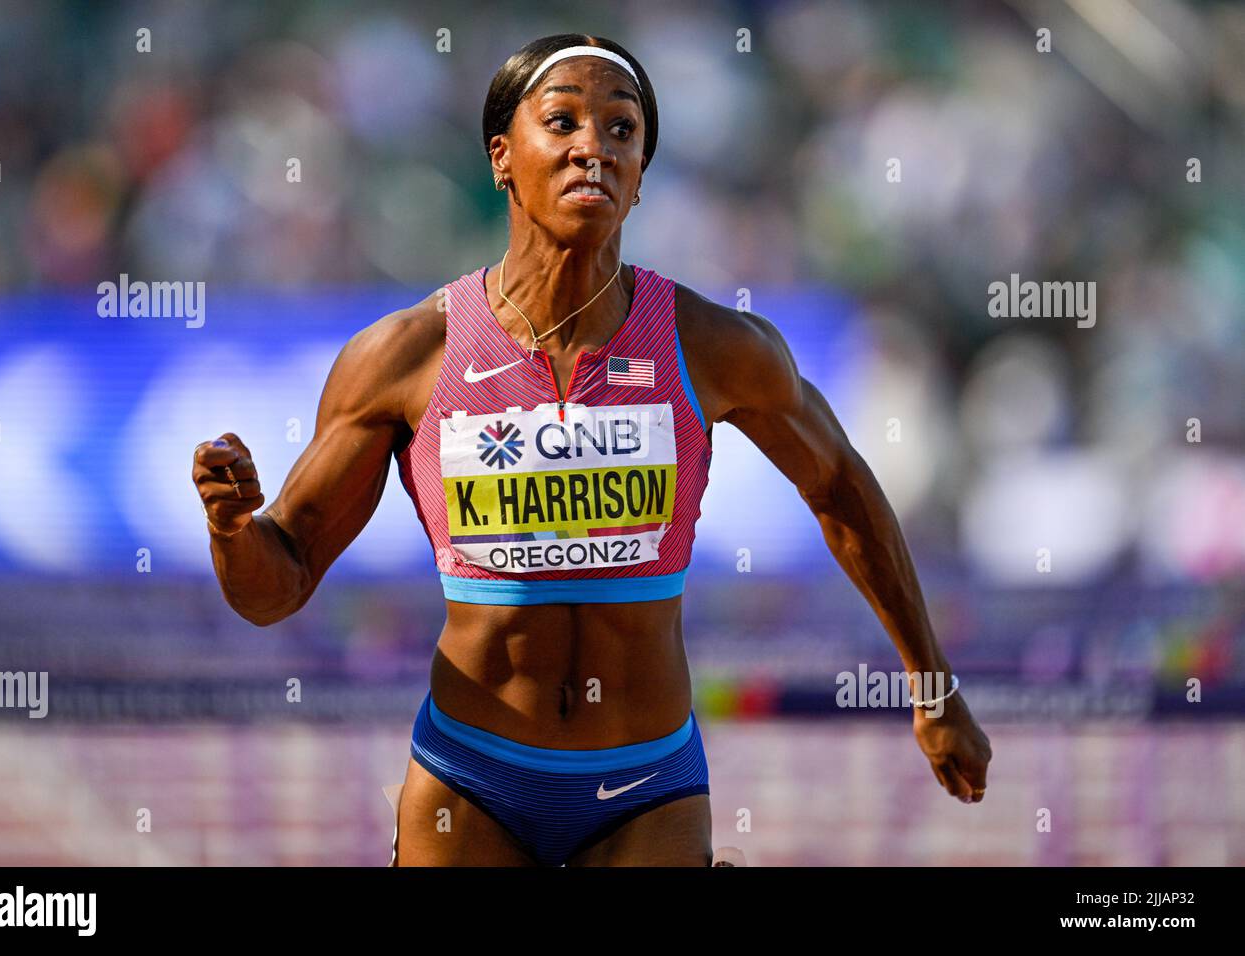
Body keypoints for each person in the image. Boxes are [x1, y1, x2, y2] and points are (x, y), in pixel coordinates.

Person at [192, 34, 991, 866]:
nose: (594, 149)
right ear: (501, 157)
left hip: (647, 783)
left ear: (642, 174)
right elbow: (273, 587)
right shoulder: (405, 357)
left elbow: (841, 489)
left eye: (622, 130)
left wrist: (932, 684)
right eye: (563, 122)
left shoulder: (714, 345)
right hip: (471, 775)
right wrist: (231, 530)